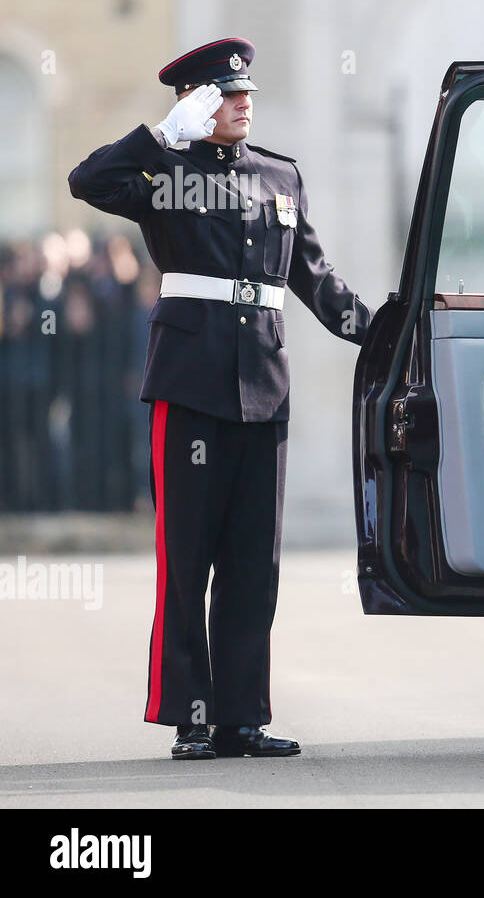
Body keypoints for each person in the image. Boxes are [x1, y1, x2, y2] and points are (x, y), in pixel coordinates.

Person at [68, 37, 371, 760]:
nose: (241, 105)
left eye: (246, 97)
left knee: (251, 561)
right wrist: (158, 137)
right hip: (191, 381)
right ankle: (192, 715)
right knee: (187, 559)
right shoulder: (164, 169)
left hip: (263, 384)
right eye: (225, 96)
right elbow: (87, 181)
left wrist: (387, 332)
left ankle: (242, 716)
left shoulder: (280, 176)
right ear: (193, 103)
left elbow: (316, 279)